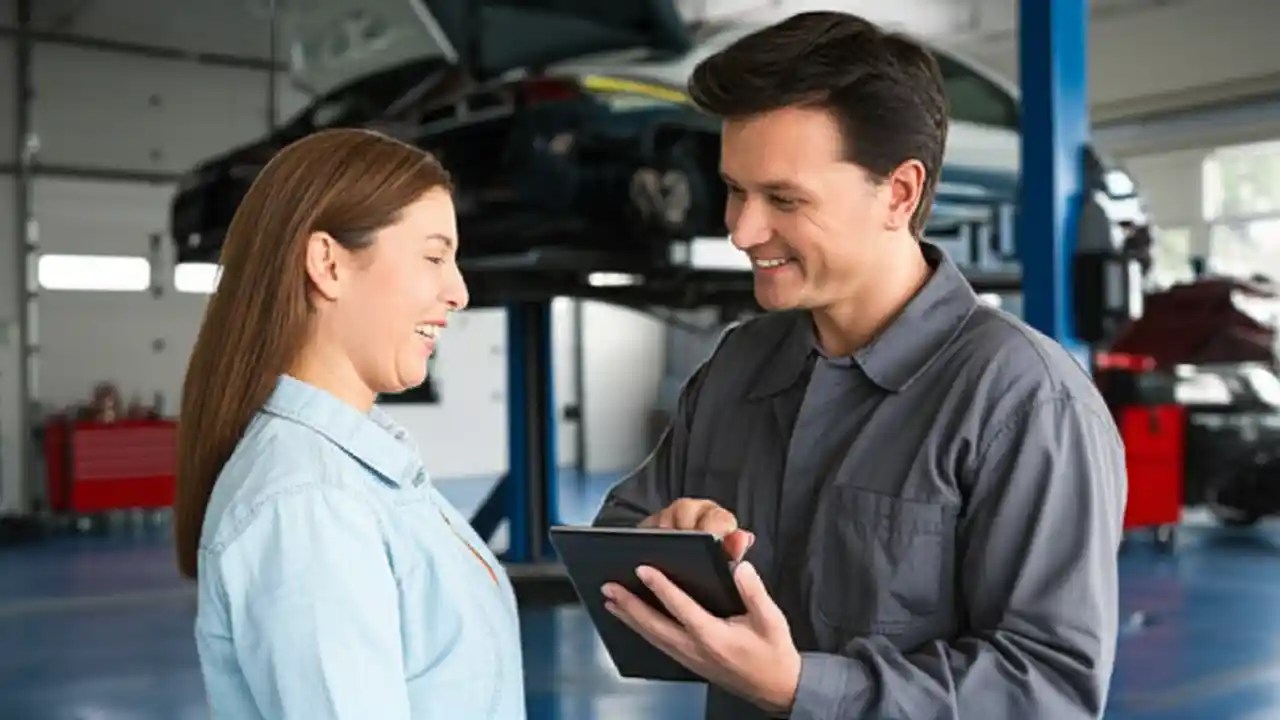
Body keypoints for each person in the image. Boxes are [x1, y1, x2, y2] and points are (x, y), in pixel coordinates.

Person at [594, 11, 1127, 720]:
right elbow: (614, 544)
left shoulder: (1025, 403)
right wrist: (669, 540)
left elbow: (1048, 692)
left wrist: (797, 689)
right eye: (735, 189)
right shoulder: (737, 366)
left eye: (784, 199)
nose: (742, 230)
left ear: (899, 194)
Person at [173, 128, 526, 719]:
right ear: (328, 264)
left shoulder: (353, 473)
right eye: (435, 257)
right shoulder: (311, 504)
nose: (459, 291)